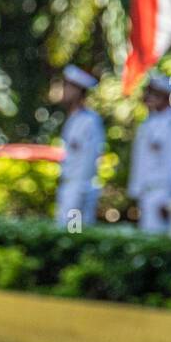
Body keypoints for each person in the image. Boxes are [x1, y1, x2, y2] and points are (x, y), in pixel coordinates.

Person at [127, 73, 171, 233]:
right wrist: (137, 190)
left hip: (163, 192)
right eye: (149, 93)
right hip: (147, 191)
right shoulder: (149, 123)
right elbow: (140, 160)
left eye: (155, 94)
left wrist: (169, 198)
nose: (149, 97)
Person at [54, 64, 106, 228]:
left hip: (79, 189)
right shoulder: (73, 119)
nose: (64, 90)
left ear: (78, 91)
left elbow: (90, 159)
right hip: (69, 187)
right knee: (65, 232)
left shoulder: (89, 121)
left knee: (74, 232)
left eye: (68, 86)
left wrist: (80, 192)